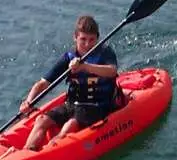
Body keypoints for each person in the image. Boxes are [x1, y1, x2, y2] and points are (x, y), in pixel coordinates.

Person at [21, 15, 119, 151]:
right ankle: (27, 151)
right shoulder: (69, 57)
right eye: (83, 39)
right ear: (75, 37)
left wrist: (85, 66)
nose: (87, 44)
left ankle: (47, 153)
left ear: (97, 38)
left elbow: (112, 71)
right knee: (42, 120)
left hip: (98, 106)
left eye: (92, 40)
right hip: (72, 104)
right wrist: (28, 101)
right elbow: (43, 83)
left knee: (71, 124)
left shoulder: (105, 53)